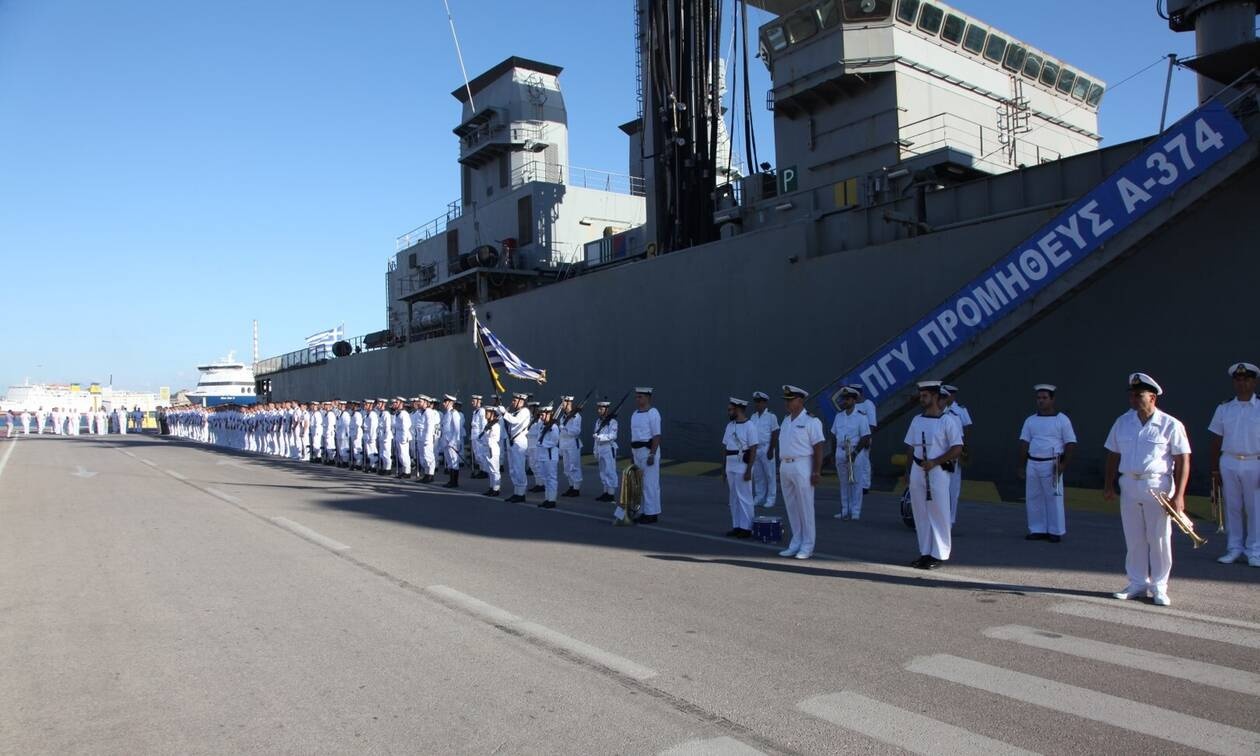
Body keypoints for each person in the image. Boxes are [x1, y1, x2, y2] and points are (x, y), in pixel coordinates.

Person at [1103, 372, 1191, 607]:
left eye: (1139, 395)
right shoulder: (1123, 421)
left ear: (1152, 397)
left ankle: (1159, 587)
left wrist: (1179, 495)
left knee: (1159, 538)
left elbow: (1183, 460)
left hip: (1157, 485)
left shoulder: (1170, 424)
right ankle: (1137, 582)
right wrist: (1108, 484)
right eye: (1131, 395)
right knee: (1134, 537)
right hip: (1129, 483)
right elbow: (1113, 454)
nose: (1133, 399)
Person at [904, 381, 964, 570]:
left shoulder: (948, 421)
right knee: (920, 513)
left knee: (938, 512)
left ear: (936, 397)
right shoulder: (917, 420)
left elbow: (957, 448)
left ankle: (939, 554)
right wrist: (907, 471)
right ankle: (925, 552)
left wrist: (935, 462)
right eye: (921, 395)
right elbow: (910, 446)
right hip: (917, 469)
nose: (922, 399)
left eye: (925, 396)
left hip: (936, 471)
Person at [1208, 362, 1260, 567]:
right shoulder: (1224, 408)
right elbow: (1216, 439)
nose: (1242, 383)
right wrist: (1214, 469)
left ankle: (1255, 550)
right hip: (1229, 461)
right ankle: (1234, 548)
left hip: (1255, 461)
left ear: (1254, 382)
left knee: (1255, 508)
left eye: (1246, 379)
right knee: (1233, 507)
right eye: (1238, 380)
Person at [1018, 384, 1077, 542]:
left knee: (1054, 498)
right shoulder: (1030, 420)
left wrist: (1063, 464)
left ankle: (1055, 531)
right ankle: (1037, 529)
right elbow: (1024, 442)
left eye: (1044, 398)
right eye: (1038, 398)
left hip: (1053, 462)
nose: (1041, 401)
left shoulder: (1062, 419)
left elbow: (1070, 443)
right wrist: (1021, 465)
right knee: (1033, 497)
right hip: (1033, 462)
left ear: (1052, 399)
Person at [777, 385, 825, 559]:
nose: (787, 403)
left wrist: (816, 471)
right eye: (786, 400)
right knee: (792, 507)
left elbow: (819, 447)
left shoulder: (811, 421)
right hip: (786, 465)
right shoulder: (786, 420)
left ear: (800, 400)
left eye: (791, 400)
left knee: (805, 507)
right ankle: (796, 541)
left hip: (802, 464)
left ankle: (807, 545)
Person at [830, 387, 871, 520]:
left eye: (847, 399)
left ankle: (855, 512)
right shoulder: (839, 416)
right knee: (843, 483)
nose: (845, 401)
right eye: (844, 399)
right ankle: (844, 510)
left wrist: (855, 452)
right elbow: (833, 434)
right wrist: (832, 454)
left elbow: (865, 437)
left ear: (854, 400)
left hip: (855, 452)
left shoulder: (861, 417)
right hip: (840, 451)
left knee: (856, 483)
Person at [722, 397, 758, 538]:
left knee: (745, 497)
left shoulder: (750, 426)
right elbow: (725, 447)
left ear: (738, 409)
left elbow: (754, 448)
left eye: (730, 409)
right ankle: (736, 525)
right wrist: (723, 468)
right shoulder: (730, 426)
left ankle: (747, 527)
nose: (728, 412)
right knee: (734, 498)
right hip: (730, 464)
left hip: (743, 465)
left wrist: (749, 469)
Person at [629, 387, 662, 523]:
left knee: (650, 483)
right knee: (640, 484)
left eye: (640, 397)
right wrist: (632, 455)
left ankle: (651, 513)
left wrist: (652, 454)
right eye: (637, 397)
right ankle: (644, 511)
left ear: (648, 397)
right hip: (637, 451)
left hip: (648, 451)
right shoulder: (635, 414)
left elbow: (656, 435)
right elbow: (634, 436)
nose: (638, 399)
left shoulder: (653, 413)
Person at [941, 385, 971, 526]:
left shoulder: (959, 411)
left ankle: (950, 519)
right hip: (938, 453)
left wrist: (965, 450)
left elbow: (966, 430)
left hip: (952, 454)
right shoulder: (937, 411)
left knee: (952, 487)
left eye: (947, 395)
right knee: (937, 486)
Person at [750, 391, 779, 508]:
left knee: (770, 474)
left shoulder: (771, 416)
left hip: (767, 447)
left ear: (765, 403)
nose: (757, 404)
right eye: (756, 402)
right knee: (758, 475)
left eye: (760, 402)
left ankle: (771, 498)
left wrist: (771, 449)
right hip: (755, 448)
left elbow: (775, 432)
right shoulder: (753, 416)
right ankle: (759, 496)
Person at [502, 394, 532, 502]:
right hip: (511, 442)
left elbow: (515, 421)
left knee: (519, 468)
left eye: (515, 400)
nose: (513, 402)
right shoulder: (516, 412)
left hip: (519, 442)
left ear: (522, 401)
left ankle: (521, 494)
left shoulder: (525, 411)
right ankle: (516, 492)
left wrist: (505, 413)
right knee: (513, 469)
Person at [849, 384, 878, 492]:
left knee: (864, 461)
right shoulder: (852, 405)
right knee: (854, 462)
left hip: (864, 437)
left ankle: (865, 485)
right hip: (852, 438)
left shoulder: (868, 404)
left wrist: (868, 438)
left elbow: (872, 423)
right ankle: (856, 483)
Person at [592, 400, 619, 502]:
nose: (599, 410)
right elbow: (595, 437)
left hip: (608, 448)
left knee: (610, 470)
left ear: (607, 410)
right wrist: (595, 449)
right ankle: (605, 492)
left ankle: (611, 494)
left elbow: (613, 436)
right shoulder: (598, 422)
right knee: (602, 471)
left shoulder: (613, 422)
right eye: (598, 408)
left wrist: (600, 437)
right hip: (600, 447)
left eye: (601, 408)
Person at [558, 395, 583, 497]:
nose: (561, 404)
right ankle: (571, 486)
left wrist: (565, 429)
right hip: (564, 444)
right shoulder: (563, 417)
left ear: (568, 403)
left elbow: (576, 431)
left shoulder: (576, 416)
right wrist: (560, 446)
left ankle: (576, 489)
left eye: (563, 402)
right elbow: (561, 434)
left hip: (573, 444)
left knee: (574, 466)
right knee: (567, 467)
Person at [536, 404, 560, 508]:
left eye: (542, 415)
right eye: (540, 415)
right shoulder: (543, 426)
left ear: (549, 414)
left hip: (550, 456)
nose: (541, 417)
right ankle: (547, 498)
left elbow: (554, 441)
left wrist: (542, 444)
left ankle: (552, 500)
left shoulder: (554, 427)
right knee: (545, 478)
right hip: (543, 455)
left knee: (551, 478)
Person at [440, 394, 463, 488]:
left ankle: (454, 482)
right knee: (449, 462)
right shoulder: (447, 414)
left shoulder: (454, 413)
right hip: (446, 441)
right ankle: (451, 480)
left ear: (451, 403)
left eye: (445, 402)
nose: (443, 403)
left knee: (454, 462)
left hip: (451, 442)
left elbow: (457, 429)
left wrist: (454, 441)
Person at [480, 404, 503, 496]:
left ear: (493, 414)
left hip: (492, 449)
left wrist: (487, 437)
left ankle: (496, 489)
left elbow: (495, 439)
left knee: (495, 470)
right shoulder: (488, 424)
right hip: (487, 448)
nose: (486, 414)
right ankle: (491, 487)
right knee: (490, 470)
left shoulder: (495, 425)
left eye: (488, 412)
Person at [393, 398, 413, 478]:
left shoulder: (404, 414)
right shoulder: (398, 413)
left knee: (404, 454)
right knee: (401, 455)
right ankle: (404, 471)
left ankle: (407, 472)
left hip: (403, 436)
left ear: (401, 403)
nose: (394, 404)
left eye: (396, 402)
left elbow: (406, 426)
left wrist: (404, 437)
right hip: (398, 435)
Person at [469, 395, 487, 479]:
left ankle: (484, 471)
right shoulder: (475, 412)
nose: (472, 402)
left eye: (473, 401)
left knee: (481, 454)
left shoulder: (482, 411)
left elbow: (483, 425)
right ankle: (481, 469)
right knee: (477, 455)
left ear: (478, 401)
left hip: (479, 436)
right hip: (474, 436)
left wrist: (482, 436)